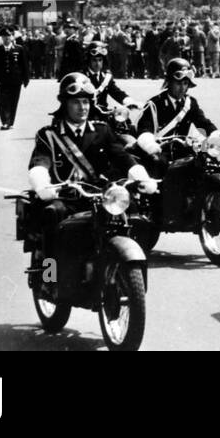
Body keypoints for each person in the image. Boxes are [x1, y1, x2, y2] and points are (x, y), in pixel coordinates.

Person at [26, 73, 157, 288]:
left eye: (86, 102)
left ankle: (127, 268)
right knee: (52, 214)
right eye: (76, 102)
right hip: (67, 196)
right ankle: (50, 278)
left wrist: (141, 177)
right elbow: (40, 161)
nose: (82, 107)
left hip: (100, 195)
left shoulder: (102, 130)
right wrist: (42, 183)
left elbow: (122, 156)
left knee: (134, 212)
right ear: (64, 104)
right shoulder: (48, 134)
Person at [133, 59, 220, 220]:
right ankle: (165, 211)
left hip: (181, 148)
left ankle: (200, 203)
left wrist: (215, 135)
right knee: (162, 166)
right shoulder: (154, 104)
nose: (183, 87)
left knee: (209, 162)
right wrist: (150, 143)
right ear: (169, 82)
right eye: (179, 83)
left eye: (186, 83)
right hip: (160, 151)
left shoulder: (190, 103)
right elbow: (144, 129)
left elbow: (203, 122)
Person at [0, 25, 30, 129]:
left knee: (13, 102)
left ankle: (10, 122)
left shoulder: (19, 49)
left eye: (9, 36)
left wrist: (26, 79)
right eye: (4, 36)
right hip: (2, 80)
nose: (6, 38)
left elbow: (24, 65)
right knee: (2, 102)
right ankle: (5, 121)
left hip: (15, 80)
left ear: (12, 37)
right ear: (1, 38)